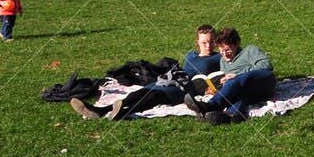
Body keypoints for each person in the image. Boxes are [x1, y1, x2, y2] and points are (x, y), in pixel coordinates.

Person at [73, 26, 222, 120]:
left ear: (215, 42)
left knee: (154, 96)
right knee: (144, 91)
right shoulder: (191, 54)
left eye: (211, 42)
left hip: (186, 88)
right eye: (204, 42)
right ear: (197, 42)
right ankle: (102, 110)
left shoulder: (218, 57)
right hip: (173, 79)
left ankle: (121, 113)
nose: (208, 45)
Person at [184, 29, 275, 124]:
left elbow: (266, 66)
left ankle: (210, 106)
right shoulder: (223, 61)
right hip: (250, 92)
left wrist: (237, 75)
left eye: (228, 50)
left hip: (263, 83)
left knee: (236, 80)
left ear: (237, 43)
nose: (225, 54)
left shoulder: (249, 50)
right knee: (238, 93)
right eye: (221, 51)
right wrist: (217, 88)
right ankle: (230, 115)